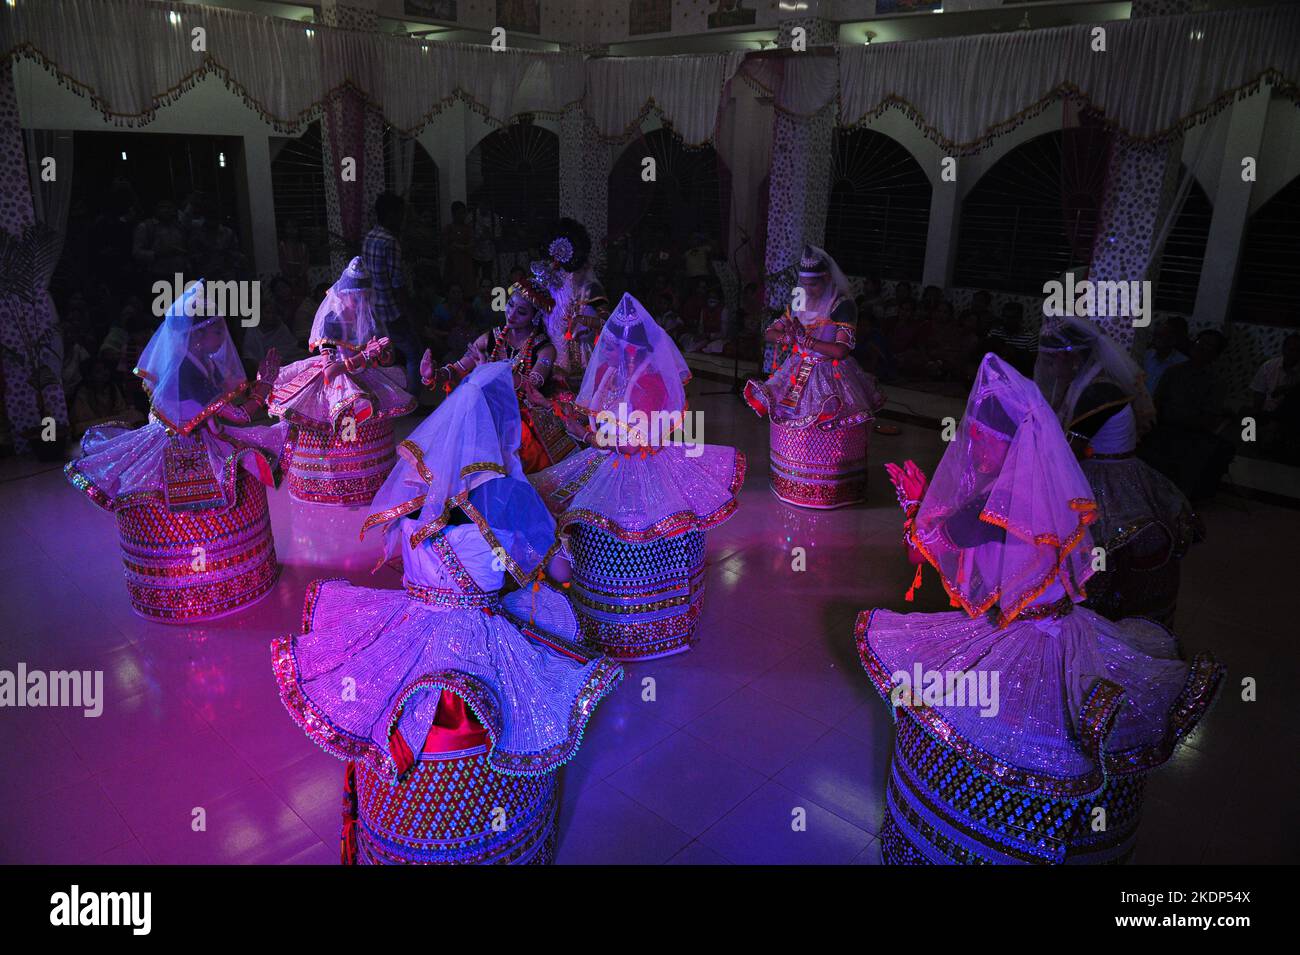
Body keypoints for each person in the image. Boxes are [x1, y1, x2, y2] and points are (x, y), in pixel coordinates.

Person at [861, 354, 1222, 864]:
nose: (969, 443)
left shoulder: (985, 508)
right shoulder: (1039, 487)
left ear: (1009, 442)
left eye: (979, 435)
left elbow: (932, 557)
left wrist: (916, 513)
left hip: (1026, 634)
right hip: (1063, 623)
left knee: (991, 729)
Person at [272, 361, 623, 865]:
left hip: (413, 622)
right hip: (476, 629)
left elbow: (402, 558)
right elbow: (561, 574)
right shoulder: (506, 495)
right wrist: (556, 535)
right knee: (546, 645)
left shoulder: (416, 486)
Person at [531, 293, 746, 660]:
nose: (605, 349)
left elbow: (632, 443)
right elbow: (599, 420)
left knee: (641, 531)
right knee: (593, 532)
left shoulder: (650, 380)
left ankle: (651, 624)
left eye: (612, 344)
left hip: (642, 464)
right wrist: (565, 416)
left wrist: (583, 435)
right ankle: (606, 621)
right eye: (607, 344)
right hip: (610, 461)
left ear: (630, 347)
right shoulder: (611, 373)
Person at [65, 280, 286, 622]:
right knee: (227, 477)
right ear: (197, 337)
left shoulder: (197, 362)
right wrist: (265, 386)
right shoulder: (188, 372)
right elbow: (239, 415)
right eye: (216, 333)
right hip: (183, 447)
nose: (222, 339)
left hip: (196, 436)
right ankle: (200, 581)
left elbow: (217, 417)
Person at [1035, 317, 1200, 624]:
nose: (1047, 369)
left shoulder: (1098, 392)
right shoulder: (1091, 382)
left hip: (1107, 475)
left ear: (1068, 357)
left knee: (1094, 544)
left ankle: (1090, 624)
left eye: (1050, 360)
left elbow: (1067, 451)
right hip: (1106, 467)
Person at [744, 245, 886, 508]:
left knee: (828, 424)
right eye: (805, 284)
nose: (809, 291)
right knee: (790, 421)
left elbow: (841, 350)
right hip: (797, 369)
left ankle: (830, 488)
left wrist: (807, 342)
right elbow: (770, 332)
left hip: (830, 373)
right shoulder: (799, 298)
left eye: (815, 285)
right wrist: (786, 337)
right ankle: (792, 481)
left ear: (828, 280)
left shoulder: (841, 305)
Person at [268, 258, 415, 506]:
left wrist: (381, 354)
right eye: (356, 297)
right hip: (337, 385)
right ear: (344, 295)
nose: (361, 302)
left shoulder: (365, 317)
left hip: (362, 376)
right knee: (347, 418)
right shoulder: (332, 322)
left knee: (372, 416)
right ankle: (334, 484)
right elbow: (330, 371)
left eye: (364, 296)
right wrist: (366, 355)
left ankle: (370, 481)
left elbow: (374, 355)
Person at [420, 270, 577, 474]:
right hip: (487, 407)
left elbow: (531, 385)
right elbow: (457, 369)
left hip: (521, 412)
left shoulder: (545, 349)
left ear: (535, 316)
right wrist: (432, 374)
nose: (511, 314)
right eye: (510, 305)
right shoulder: (490, 338)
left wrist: (487, 370)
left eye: (521, 312)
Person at [1141, 328, 1232, 500]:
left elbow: (1209, 418)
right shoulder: (1174, 372)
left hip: (1191, 436)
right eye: (1200, 343)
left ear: (1216, 354)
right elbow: (1157, 402)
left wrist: (1178, 418)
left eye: (1209, 347)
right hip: (1162, 429)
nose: (1202, 348)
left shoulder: (1215, 382)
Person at [534, 219, 609, 391]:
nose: (556, 263)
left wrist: (584, 320)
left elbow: (607, 324)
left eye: (562, 255)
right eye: (554, 256)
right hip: (549, 353)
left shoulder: (590, 288)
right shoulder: (547, 284)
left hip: (581, 356)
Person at [362, 192, 421, 394]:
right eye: (400, 214)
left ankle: (388, 400)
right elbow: (397, 284)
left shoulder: (370, 237)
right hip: (390, 310)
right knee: (414, 352)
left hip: (373, 309)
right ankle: (413, 401)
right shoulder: (389, 241)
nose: (402, 219)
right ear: (391, 214)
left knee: (381, 357)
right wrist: (410, 313)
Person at [1142, 317, 1188, 396]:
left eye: (1161, 336)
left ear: (1174, 339)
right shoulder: (1147, 355)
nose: (1155, 339)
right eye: (1156, 335)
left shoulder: (1182, 363)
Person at [441, 200, 477, 299]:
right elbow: (446, 247)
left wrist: (460, 246)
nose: (463, 216)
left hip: (466, 266)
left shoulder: (468, 228)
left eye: (464, 213)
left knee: (468, 292)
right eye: (460, 213)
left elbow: (472, 245)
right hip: (452, 265)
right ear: (453, 214)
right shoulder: (448, 229)